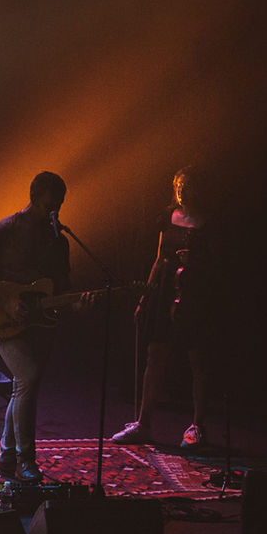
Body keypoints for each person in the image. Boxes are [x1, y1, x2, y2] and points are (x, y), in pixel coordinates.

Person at [0, 171, 71, 483]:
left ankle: (6, 459)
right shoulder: (4, 229)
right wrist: (6, 302)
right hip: (4, 318)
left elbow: (63, 286)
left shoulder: (58, 241)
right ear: (35, 197)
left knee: (24, 386)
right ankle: (27, 459)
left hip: (41, 321)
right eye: (51, 205)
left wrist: (76, 301)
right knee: (28, 376)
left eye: (60, 206)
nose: (55, 212)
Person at [112, 166, 223, 448]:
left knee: (198, 362)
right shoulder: (167, 217)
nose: (182, 190)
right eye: (178, 185)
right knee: (154, 356)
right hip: (164, 294)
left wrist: (195, 262)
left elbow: (218, 264)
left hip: (195, 295)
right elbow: (159, 257)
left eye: (187, 185)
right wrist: (145, 297)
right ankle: (144, 423)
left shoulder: (208, 222)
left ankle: (197, 426)